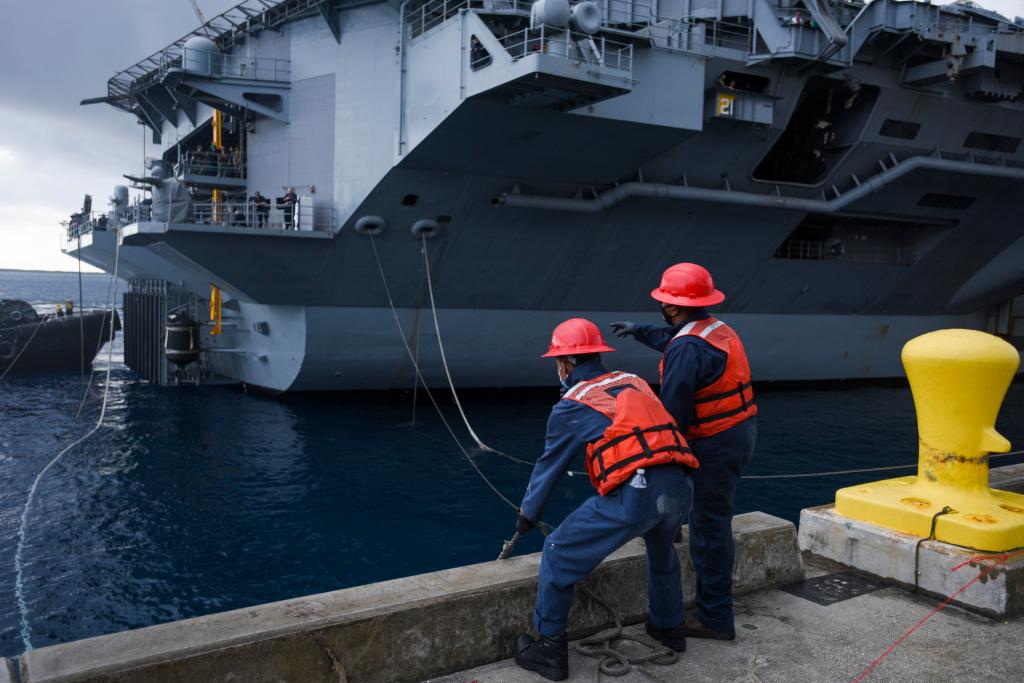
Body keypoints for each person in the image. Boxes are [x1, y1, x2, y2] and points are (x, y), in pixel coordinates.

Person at [512, 318, 699, 681]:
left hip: (638, 495)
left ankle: (549, 651)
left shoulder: (571, 404)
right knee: (661, 553)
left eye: (557, 362)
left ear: (564, 364)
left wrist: (527, 516)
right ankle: (669, 629)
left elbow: (548, 468)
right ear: (598, 354)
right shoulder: (634, 380)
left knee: (558, 551)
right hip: (679, 487)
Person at [610, 263, 757, 643]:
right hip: (738, 431)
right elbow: (673, 338)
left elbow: (673, 415)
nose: (661, 307)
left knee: (709, 529)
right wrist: (638, 330)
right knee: (708, 514)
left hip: (714, 440)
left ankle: (715, 618)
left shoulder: (687, 348)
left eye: (663, 302)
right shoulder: (713, 330)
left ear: (673, 307)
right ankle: (676, 529)